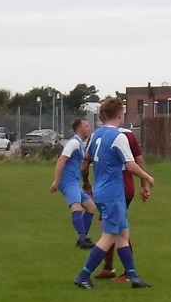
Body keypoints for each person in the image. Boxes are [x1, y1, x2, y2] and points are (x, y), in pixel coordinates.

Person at [73, 98, 155, 289]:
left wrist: (86, 182)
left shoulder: (96, 135)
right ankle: (83, 275)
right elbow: (131, 164)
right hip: (113, 193)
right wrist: (148, 178)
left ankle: (133, 277)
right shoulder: (119, 137)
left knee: (122, 234)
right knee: (109, 236)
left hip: (100, 191)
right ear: (120, 114)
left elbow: (85, 163)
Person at [96, 124, 148, 280]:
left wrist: (145, 184)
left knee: (116, 228)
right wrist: (144, 185)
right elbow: (140, 161)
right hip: (118, 187)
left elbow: (137, 162)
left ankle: (125, 271)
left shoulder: (102, 135)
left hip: (120, 187)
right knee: (112, 225)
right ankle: (109, 267)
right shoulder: (126, 135)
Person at [50, 117, 97, 249]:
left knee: (91, 207)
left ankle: (83, 238)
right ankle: (83, 239)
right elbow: (61, 160)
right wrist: (57, 181)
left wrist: (84, 182)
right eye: (87, 126)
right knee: (77, 207)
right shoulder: (74, 143)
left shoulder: (79, 144)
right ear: (79, 128)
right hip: (68, 181)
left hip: (74, 181)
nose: (89, 129)